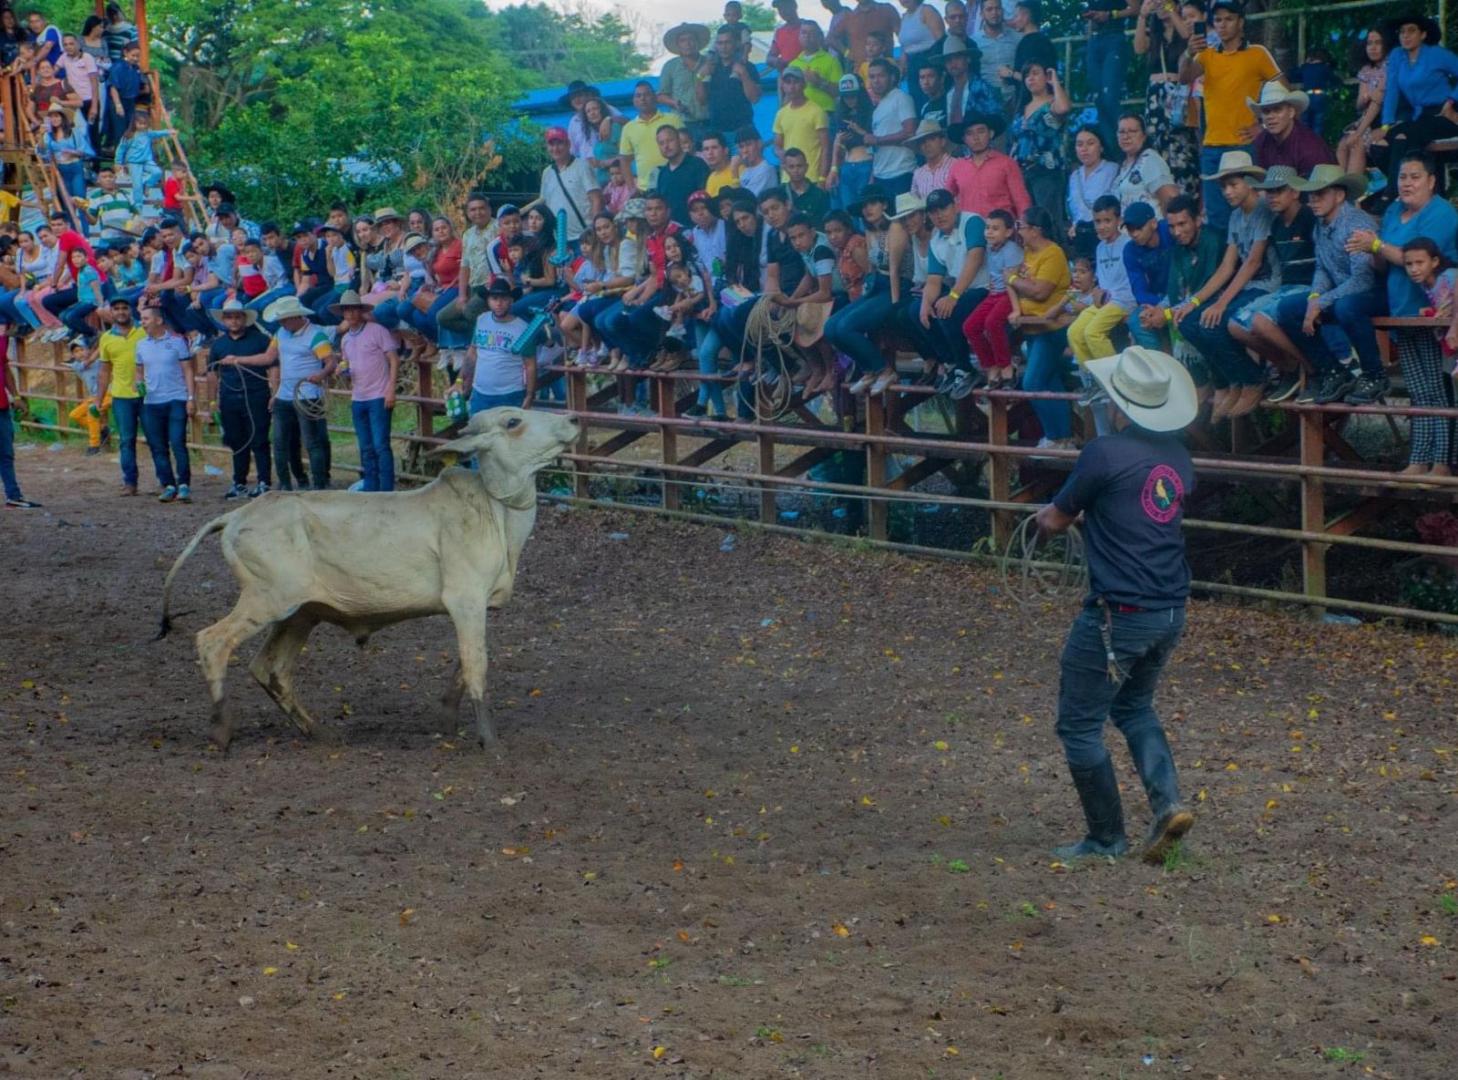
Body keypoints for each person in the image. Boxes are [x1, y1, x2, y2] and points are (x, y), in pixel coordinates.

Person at [1034, 345, 1198, 865]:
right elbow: (1137, 513)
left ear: (1116, 402)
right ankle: (1167, 803)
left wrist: (1047, 520)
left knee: (1079, 724)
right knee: (1133, 706)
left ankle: (1106, 837)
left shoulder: (1103, 453)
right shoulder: (1178, 458)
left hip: (1119, 611)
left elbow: (1055, 518)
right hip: (1168, 609)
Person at [1348, 153, 1458, 476]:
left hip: (1434, 315)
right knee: (1418, 391)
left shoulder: (1442, 213)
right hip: (1401, 311)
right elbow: (1383, 262)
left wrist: (1377, 245)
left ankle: (1442, 463)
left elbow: (1417, 258)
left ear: (1432, 181)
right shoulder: (1394, 211)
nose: (1407, 183)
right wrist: (1370, 249)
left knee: (1437, 391)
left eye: (1414, 176)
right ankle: (1419, 459)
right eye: (1402, 177)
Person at [1269, 166, 1381, 409]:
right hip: (1340, 293)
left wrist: (1322, 301)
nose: (1313, 200)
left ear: (1339, 195)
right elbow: (1322, 267)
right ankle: (1333, 370)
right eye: (1311, 194)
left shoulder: (1356, 223)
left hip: (1372, 293)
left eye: (1320, 194)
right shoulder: (1319, 224)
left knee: (1346, 307)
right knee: (1287, 309)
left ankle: (1374, 374)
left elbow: (1363, 279)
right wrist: (1314, 296)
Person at [1179, 151, 1277, 420]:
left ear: (1250, 183)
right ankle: (1233, 381)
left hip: (1267, 286)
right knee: (1189, 322)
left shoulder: (1263, 210)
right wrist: (1195, 302)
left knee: (1216, 323)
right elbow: (1227, 266)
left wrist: (1221, 303)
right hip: (1246, 288)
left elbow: (1253, 262)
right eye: (1223, 186)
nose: (1227, 192)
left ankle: (1252, 380)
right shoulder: (1235, 216)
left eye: (1233, 184)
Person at [1179, 0, 1279, 235]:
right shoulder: (1206, 55)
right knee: (1216, 219)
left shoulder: (1257, 53)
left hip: (1244, 145)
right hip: (1212, 146)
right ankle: (1225, 259)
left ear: (1240, 22)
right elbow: (1183, 77)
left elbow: (1282, 91)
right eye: (1218, 20)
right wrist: (1188, 52)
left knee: (1253, 212)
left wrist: (1264, 124)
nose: (1223, 25)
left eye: (1229, 19)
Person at [830, 184, 912, 395]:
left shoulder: (895, 227)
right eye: (864, 205)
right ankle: (869, 370)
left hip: (899, 286)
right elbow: (872, 269)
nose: (868, 209)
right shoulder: (869, 230)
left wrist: (894, 304)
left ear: (884, 204)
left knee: (846, 327)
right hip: (876, 285)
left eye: (873, 203)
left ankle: (883, 369)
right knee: (831, 327)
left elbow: (894, 270)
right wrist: (864, 298)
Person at [1137, 194, 1220, 391]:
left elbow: (1207, 292)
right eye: (1172, 226)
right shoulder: (1178, 250)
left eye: (1182, 224)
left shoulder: (1212, 242)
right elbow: (1174, 291)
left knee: (1188, 322)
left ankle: (1209, 385)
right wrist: (1157, 310)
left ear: (1198, 220)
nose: (1177, 232)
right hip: (1185, 311)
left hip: (1211, 308)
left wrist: (1166, 314)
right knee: (1142, 322)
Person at [1007, 205, 1072, 447]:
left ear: (1036, 230)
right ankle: (1061, 436)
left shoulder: (1053, 254)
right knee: (1050, 381)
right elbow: (1019, 286)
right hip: (1031, 329)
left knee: (1032, 382)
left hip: (1051, 329)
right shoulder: (1025, 252)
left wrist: (1013, 279)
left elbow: (1040, 291)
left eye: (1021, 226)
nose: (1018, 231)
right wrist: (1017, 283)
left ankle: (1055, 436)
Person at [1373, 14, 1458, 190]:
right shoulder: (1397, 55)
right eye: (1402, 32)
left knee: (1404, 137)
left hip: (1446, 113)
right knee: (1383, 143)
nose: (1405, 35)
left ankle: (1392, 193)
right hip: (1421, 117)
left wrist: (1452, 100)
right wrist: (1386, 125)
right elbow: (1392, 90)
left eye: (1411, 31)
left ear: (1423, 34)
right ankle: (1413, 191)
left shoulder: (1436, 54)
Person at [262, 295, 337, 491]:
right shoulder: (281, 333)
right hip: (286, 394)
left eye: (284, 319)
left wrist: (320, 375)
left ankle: (317, 483)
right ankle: (289, 483)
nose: (282, 323)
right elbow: (268, 357)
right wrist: (239, 360)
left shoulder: (315, 335)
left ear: (296, 317)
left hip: (307, 395)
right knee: (282, 442)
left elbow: (330, 362)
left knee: (310, 441)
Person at [919, 189, 989, 397]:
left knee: (947, 311)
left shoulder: (972, 222)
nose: (939, 215)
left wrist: (954, 296)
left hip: (985, 287)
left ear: (955, 206)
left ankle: (965, 368)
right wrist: (925, 304)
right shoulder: (936, 239)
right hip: (962, 290)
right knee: (919, 313)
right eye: (933, 212)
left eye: (943, 208)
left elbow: (976, 258)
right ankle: (950, 364)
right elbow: (933, 279)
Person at [206, 298, 274, 499]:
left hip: (257, 395)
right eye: (229, 317)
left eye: (237, 317)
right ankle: (239, 482)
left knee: (259, 439)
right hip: (229, 398)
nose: (234, 321)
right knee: (237, 441)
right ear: (224, 320)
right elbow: (212, 374)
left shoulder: (261, 340)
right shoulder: (218, 345)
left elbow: (273, 366)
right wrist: (212, 401)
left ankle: (264, 481)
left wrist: (274, 393)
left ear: (244, 319)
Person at [332, 290, 399, 492]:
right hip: (359, 396)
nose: (351, 313)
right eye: (347, 310)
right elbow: (347, 364)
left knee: (379, 445)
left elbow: (394, 359)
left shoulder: (377, 331)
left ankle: (385, 489)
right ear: (343, 313)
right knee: (367, 446)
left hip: (378, 394)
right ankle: (372, 487)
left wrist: (390, 388)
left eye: (354, 309)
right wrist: (342, 370)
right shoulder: (346, 339)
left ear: (360, 311)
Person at [1134, 0, 1200, 198]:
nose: (1160, 5)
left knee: (1183, 143)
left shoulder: (1183, 29)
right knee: (1157, 144)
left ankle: (1187, 194)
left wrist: (1170, 10)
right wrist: (1143, 16)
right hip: (1156, 98)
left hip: (1178, 94)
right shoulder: (1155, 34)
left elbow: (1187, 36)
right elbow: (1139, 48)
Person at [135, 305, 198, 503]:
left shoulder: (178, 342)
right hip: (152, 401)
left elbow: (188, 370)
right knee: (157, 445)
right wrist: (139, 383)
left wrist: (191, 398)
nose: (142, 323)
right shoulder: (141, 345)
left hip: (176, 398)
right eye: (142, 319)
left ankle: (184, 484)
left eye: (146, 319)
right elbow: (139, 370)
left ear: (158, 320)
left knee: (177, 441)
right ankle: (169, 484)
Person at [453, 276, 537, 414]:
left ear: (511, 301)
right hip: (480, 393)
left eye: (504, 299)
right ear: (488, 301)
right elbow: (472, 353)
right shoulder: (481, 320)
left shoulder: (522, 328)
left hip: (510, 394)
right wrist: (459, 380)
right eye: (494, 299)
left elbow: (530, 364)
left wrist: (529, 395)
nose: (499, 303)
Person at [1009, 62, 1071, 236]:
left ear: (1046, 76)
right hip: (1022, 172)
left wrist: (1055, 81)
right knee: (1027, 222)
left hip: (1046, 171)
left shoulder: (1052, 102)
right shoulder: (1022, 108)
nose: (1031, 78)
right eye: (1027, 75)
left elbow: (1063, 108)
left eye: (1036, 73)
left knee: (1048, 220)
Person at [94, 296, 145, 495]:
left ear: (131, 310)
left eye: (124, 308)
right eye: (116, 309)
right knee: (126, 440)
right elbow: (104, 370)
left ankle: (166, 481)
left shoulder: (145, 330)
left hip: (148, 394)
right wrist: (98, 399)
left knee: (157, 439)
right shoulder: (106, 338)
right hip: (121, 396)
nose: (121, 312)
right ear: (111, 312)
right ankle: (130, 482)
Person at [947, 113, 1031, 219]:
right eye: (969, 133)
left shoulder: (1007, 163)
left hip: (1002, 227)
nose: (976, 138)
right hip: (970, 227)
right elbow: (946, 198)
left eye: (981, 131)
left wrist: (1025, 224)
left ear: (990, 134)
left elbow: (1021, 200)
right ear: (964, 139)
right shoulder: (957, 167)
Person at [1248, 81, 1335, 174]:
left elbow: (1320, 182)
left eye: (1277, 110)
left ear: (1291, 112)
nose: (1270, 116)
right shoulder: (1262, 140)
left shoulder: (1310, 148)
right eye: (1266, 111)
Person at [1336, 29, 1388, 177]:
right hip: (1366, 119)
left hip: (1385, 119)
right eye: (1369, 44)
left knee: (1356, 144)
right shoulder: (1366, 70)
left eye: (1378, 43)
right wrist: (1365, 98)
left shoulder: (1390, 66)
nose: (1373, 48)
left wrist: (1371, 96)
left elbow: (1378, 100)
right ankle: (1339, 185)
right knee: (1342, 145)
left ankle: (1353, 187)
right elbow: (1359, 105)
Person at [540, 126, 602, 246]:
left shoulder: (582, 167)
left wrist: (594, 229)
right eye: (551, 145)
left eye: (560, 143)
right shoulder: (547, 173)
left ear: (568, 144)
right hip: (558, 239)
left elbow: (596, 199)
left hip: (583, 237)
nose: (555, 148)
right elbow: (544, 204)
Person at [1082, 0, 1136, 138]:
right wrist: (1092, 18)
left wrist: (1111, 14)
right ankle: (1111, 145)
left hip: (1115, 37)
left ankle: (1128, 138)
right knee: (1098, 99)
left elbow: (1136, 9)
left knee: (1110, 97)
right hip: (1095, 40)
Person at [1111, 113, 1181, 216]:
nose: (1126, 136)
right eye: (1121, 132)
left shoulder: (1149, 159)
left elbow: (1170, 198)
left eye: (1132, 131)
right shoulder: (1123, 164)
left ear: (1144, 136)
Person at [699, 26, 762, 138]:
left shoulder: (748, 67)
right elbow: (702, 100)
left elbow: (754, 98)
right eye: (720, 43)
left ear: (736, 44)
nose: (724, 47)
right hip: (717, 132)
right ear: (716, 45)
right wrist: (699, 77)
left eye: (727, 42)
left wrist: (744, 74)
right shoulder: (711, 68)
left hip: (743, 131)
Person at [0, 327, 39, 507]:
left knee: (6, 452)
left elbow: (5, 367)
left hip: (1, 406)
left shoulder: (1, 340)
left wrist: (15, 396)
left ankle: (13, 495)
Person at [937, 36, 1001, 144]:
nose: (953, 63)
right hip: (957, 150)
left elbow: (997, 122)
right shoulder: (949, 94)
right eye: (948, 60)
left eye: (957, 58)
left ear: (968, 59)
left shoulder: (983, 88)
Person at [1067, 125, 1118, 258]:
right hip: (1081, 238)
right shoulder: (1074, 176)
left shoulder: (1112, 170)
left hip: (1105, 235)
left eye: (1090, 143)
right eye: (1079, 145)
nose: (1084, 149)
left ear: (1101, 147)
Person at [619, 81, 685, 181]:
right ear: (634, 101)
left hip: (676, 180)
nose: (642, 98)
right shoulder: (628, 128)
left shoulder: (673, 119)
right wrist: (631, 186)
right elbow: (625, 160)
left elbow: (686, 147)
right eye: (638, 96)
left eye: (646, 95)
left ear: (655, 97)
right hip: (645, 187)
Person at [659, 23, 712, 138]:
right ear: (678, 45)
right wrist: (674, 103)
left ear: (697, 42)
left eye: (691, 39)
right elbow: (661, 95)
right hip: (682, 123)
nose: (688, 43)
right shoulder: (670, 66)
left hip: (710, 120)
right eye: (683, 40)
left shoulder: (709, 63)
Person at [973, 0, 1023, 112]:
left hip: (1015, 100)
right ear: (982, 14)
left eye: (997, 8)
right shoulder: (974, 42)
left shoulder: (1017, 38)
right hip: (986, 103)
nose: (994, 13)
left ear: (1003, 11)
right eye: (989, 9)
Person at [896, 0, 945, 110]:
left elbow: (941, 40)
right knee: (917, 103)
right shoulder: (904, 17)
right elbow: (904, 46)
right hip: (912, 67)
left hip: (929, 62)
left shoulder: (926, 11)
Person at [788, 21, 844, 112]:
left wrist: (820, 82)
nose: (807, 36)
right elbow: (788, 95)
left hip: (825, 113)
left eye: (812, 33)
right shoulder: (793, 64)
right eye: (804, 32)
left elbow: (840, 91)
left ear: (819, 37)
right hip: (799, 114)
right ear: (799, 37)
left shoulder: (832, 60)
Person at [835, 0, 900, 66]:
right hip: (859, 69)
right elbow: (832, 38)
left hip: (886, 67)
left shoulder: (887, 10)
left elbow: (901, 35)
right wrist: (847, 53)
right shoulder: (849, 17)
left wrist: (902, 56)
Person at [782, 148, 831, 222]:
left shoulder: (820, 194)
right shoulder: (780, 193)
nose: (796, 170)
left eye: (799, 166)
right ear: (785, 169)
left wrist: (794, 210)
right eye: (791, 167)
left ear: (806, 167)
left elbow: (823, 223)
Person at [910, 120, 955, 198]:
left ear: (942, 141)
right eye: (922, 141)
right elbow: (914, 202)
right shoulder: (918, 174)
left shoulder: (957, 166)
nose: (927, 145)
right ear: (919, 147)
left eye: (932, 139)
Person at [735, 126, 780, 195]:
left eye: (748, 144)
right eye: (741, 147)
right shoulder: (745, 172)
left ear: (759, 143)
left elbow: (748, 199)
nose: (745, 150)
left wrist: (734, 172)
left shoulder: (766, 169)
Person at [767, 0, 806, 75]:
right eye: (780, 9)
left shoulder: (808, 27)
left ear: (794, 6)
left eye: (785, 7)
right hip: (786, 78)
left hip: (808, 76)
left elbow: (821, 51)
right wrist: (776, 61)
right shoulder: (779, 31)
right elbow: (769, 57)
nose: (783, 11)